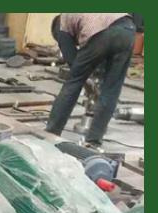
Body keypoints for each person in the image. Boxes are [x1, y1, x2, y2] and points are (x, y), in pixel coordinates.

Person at [46, 13, 137, 147]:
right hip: (128, 30)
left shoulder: (62, 25)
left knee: (74, 81)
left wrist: (86, 79)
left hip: (103, 32)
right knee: (111, 89)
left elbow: (72, 61)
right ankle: (93, 141)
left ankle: (52, 131)